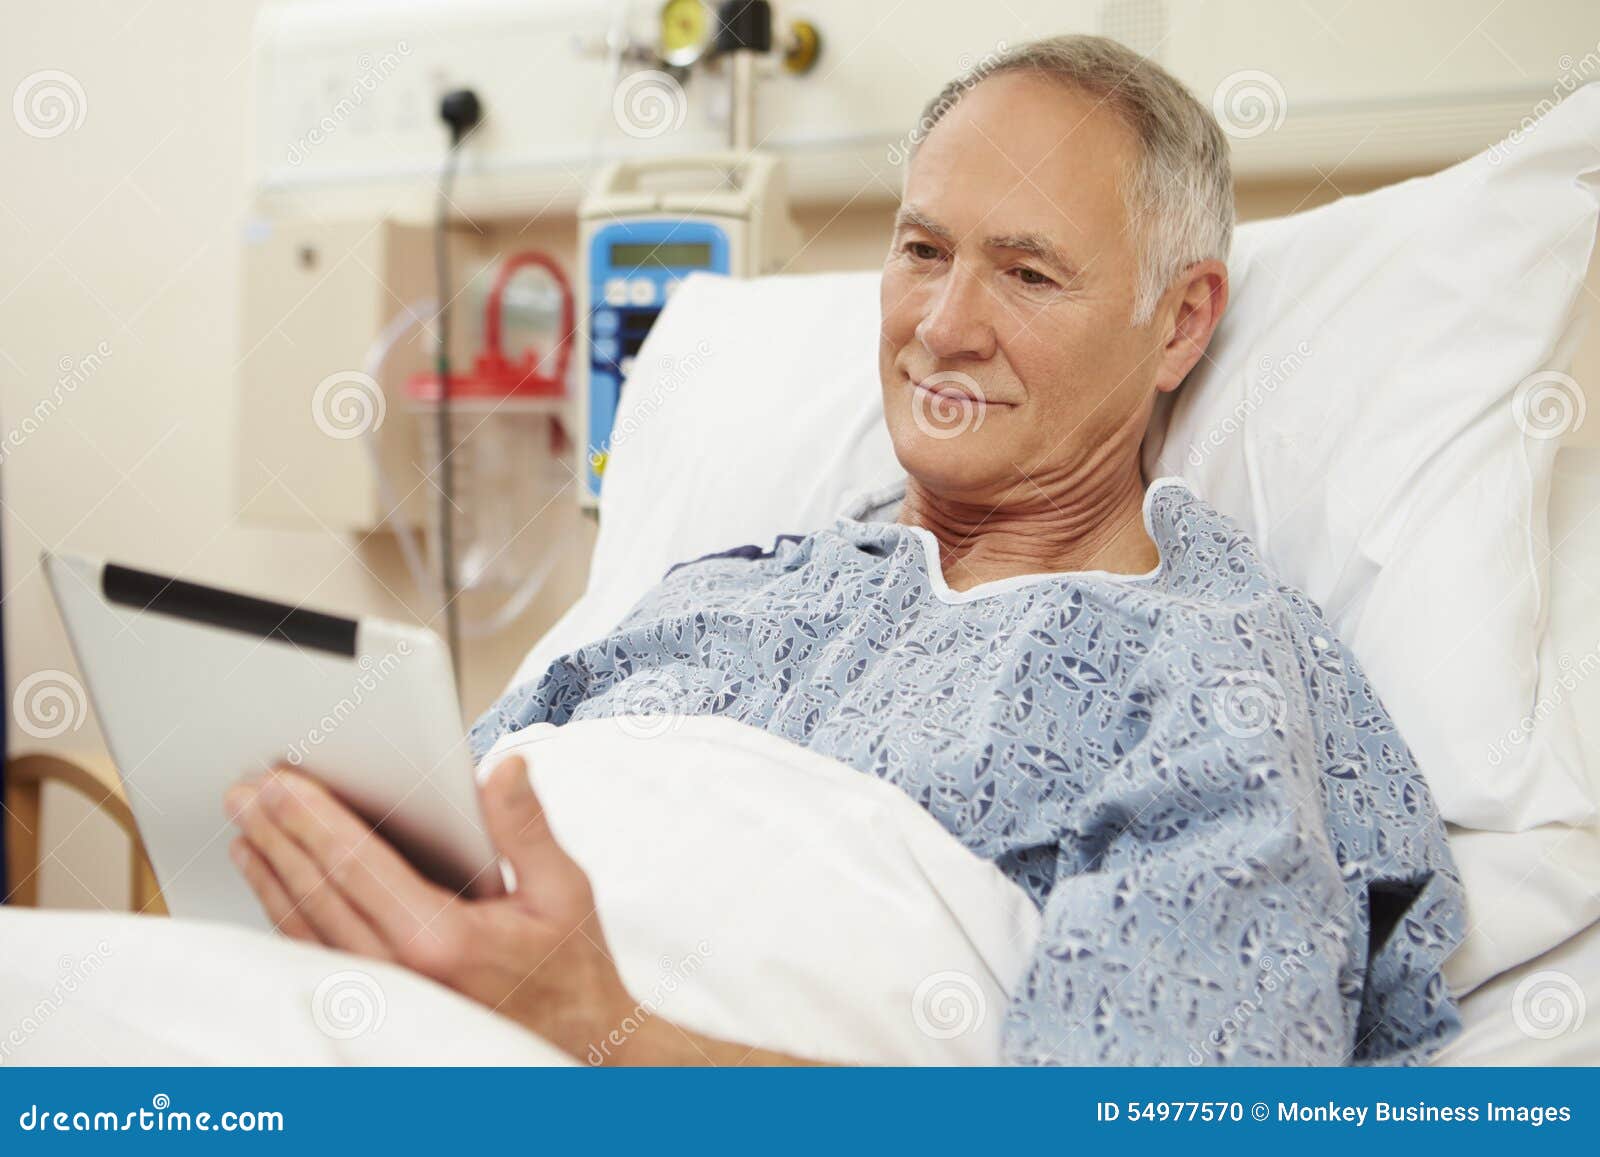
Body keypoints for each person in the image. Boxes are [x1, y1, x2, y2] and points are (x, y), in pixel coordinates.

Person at [227, 34, 1465, 1066]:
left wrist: (600, 1033)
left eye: (1027, 273)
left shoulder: (1208, 675)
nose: (942, 325)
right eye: (922, 250)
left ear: (1180, 319)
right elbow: (430, 836)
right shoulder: (722, 592)